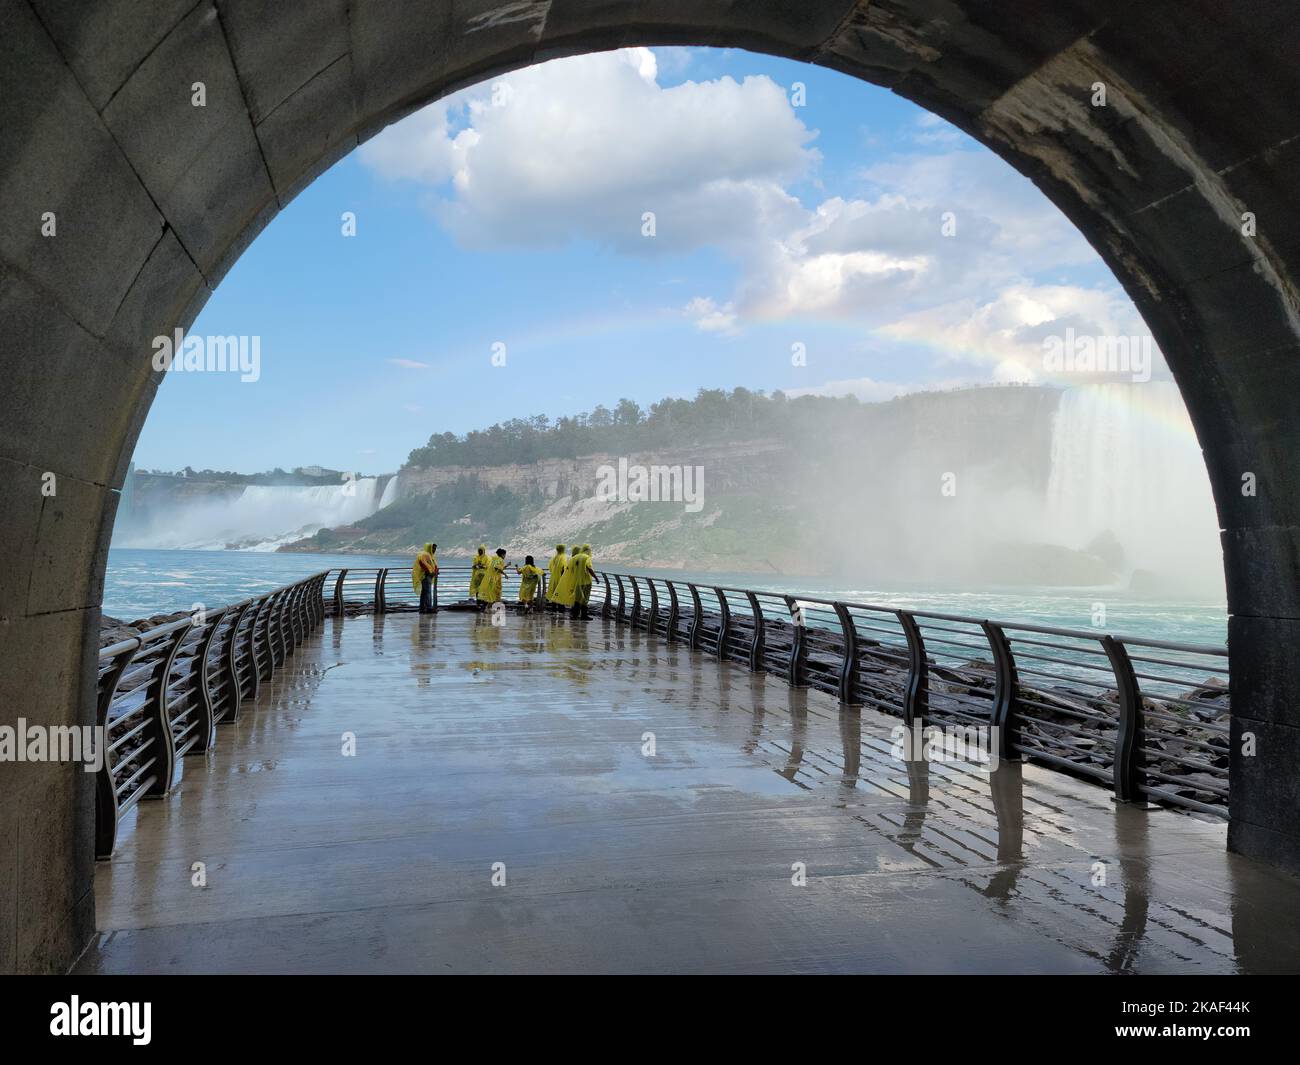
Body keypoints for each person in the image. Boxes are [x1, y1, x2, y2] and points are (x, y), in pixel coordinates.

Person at [568, 545, 595, 620]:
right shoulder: (587, 558)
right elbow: (589, 568)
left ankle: (574, 615)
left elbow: (569, 569)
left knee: (577, 599)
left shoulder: (575, 558)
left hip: (577, 582)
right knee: (585, 599)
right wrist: (596, 577)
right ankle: (584, 615)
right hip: (586, 582)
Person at [412, 542, 438, 614]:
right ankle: (429, 608)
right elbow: (422, 563)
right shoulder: (424, 555)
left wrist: (434, 571)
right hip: (425, 576)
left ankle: (422, 608)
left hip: (428, 575)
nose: (434, 550)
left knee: (424, 593)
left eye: (435, 548)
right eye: (433, 548)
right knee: (427, 592)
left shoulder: (430, 555)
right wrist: (430, 571)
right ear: (428, 547)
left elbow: (434, 565)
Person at [545, 544, 567, 611]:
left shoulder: (554, 557)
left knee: (554, 593)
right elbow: (564, 568)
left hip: (553, 578)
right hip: (560, 578)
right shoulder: (563, 557)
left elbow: (550, 568)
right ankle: (561, 609)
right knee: (560, 593)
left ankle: (553, 609)